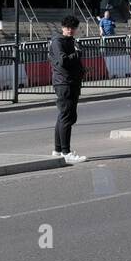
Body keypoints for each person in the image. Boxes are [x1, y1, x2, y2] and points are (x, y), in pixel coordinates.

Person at [50, 15, 86, 164]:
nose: (70, 30)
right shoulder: (58, 41)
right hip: (64, 83)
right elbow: (63, 61)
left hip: (70, 82)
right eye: (68, 28)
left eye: (73, 28)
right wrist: (76, 54)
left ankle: (58, 150)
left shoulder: (69, 41)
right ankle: (66, 152)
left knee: (64, 116)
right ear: (63, 27)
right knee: (67, 117)